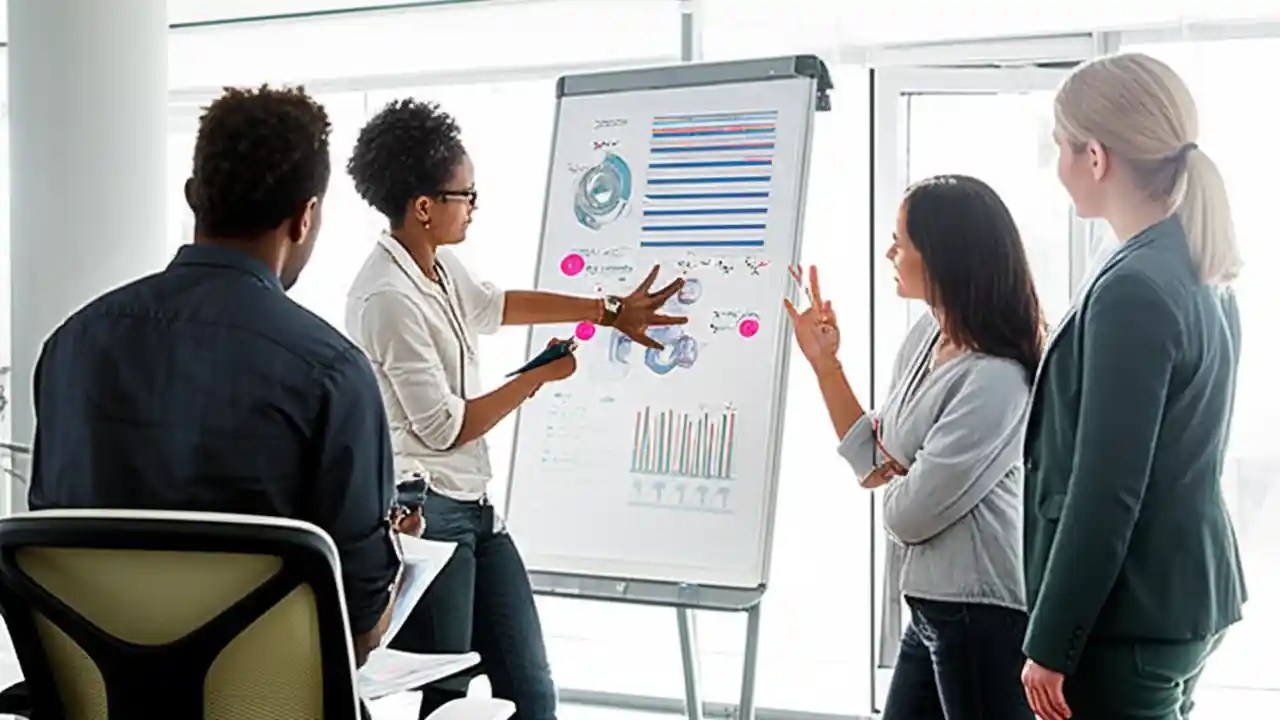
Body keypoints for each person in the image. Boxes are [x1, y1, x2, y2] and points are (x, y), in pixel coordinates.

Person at [27, 86, 412, 671]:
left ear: (193, 198)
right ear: (305, 218)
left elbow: (50, 569)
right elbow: (356, 629)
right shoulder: (331, 374)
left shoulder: (71, 347)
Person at [344, 98, 686, 720]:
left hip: (474, 511)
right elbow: (444, 427)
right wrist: (536, 379)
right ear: (424, 207)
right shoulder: (386, 296)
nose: (473, 206)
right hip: (431, 513)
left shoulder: (437, 265)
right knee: (445, 694)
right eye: (464, 195)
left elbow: (494, 306)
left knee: (528, 690)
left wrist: (604, 310)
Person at [1020, 52, 1248, 720]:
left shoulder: (1133, 288)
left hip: (1127, 616)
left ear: (1095, 156)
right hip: (1178, 600)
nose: (1058, 166)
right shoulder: (1197, 265)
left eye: (1061, 147)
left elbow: (1108, 488)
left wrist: (1053, 642)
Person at [785, 175, 1043, 719]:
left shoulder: (995, 379)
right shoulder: (928, 334)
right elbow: (872, 459)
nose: (890, 253)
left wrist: (901, 468)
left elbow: (908, 515)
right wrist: (825, 364)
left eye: (900, 241)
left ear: (943, 254)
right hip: (928, 604)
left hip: (980, 610)